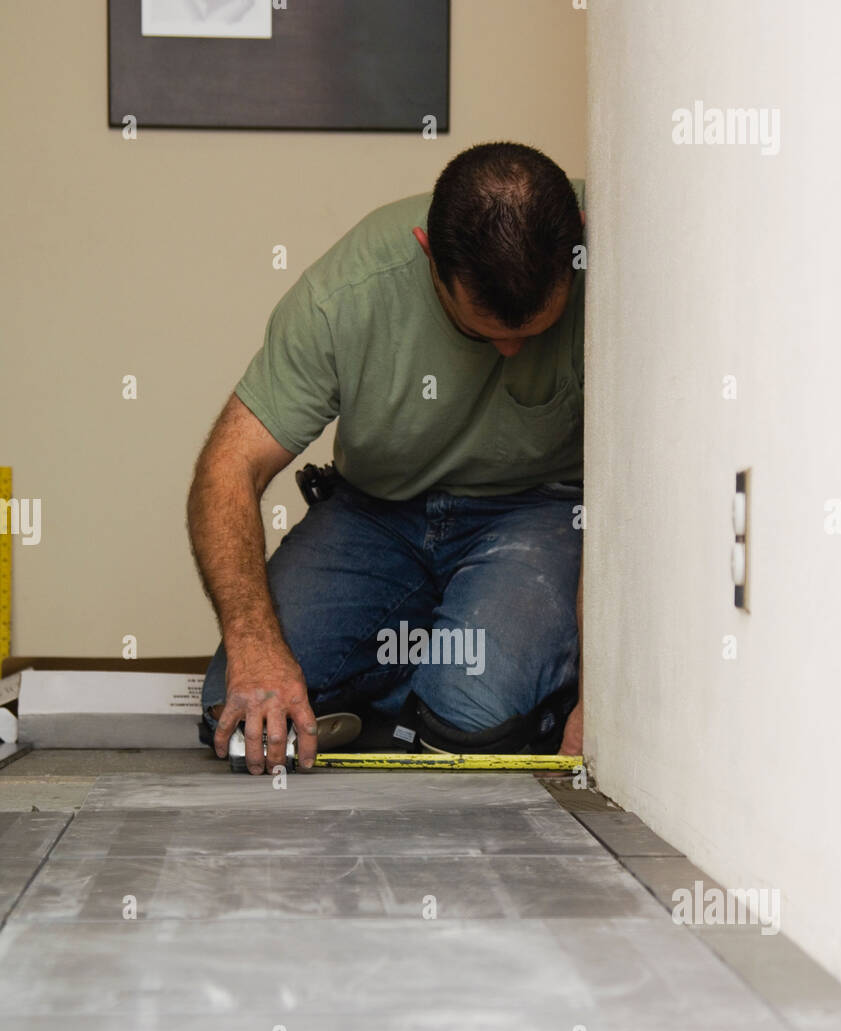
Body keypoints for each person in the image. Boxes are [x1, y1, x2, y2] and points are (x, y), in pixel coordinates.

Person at [188, 141, 586, 774]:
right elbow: (227, 468)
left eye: (531, 334)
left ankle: (453, 675)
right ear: (429, 254)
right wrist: (256, 648)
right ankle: (439, 654)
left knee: (467, 723)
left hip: (537, 514)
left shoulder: (616, 261)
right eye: (484, 332)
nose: (511, 353)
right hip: (377, 514)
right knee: (238, 713)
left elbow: (638, 490)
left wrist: (600, 698)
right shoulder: (345, 295)